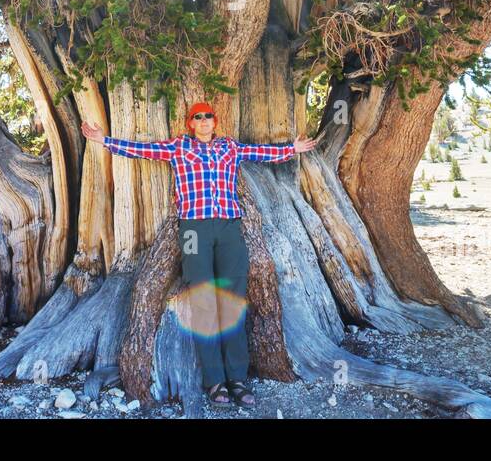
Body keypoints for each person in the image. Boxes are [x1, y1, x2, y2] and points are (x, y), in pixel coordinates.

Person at [82, 102, 316, 407]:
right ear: (191, 123)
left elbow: (259, 152)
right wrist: (104, 141)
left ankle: (238, 379)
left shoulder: (229, 147)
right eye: (198, 117)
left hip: (230, 228)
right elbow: (143, 150)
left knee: (233, 300)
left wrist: (292, 148)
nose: (204, 121)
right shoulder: (179, 147)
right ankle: (215, 381)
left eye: (208, 116)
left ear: (214, 122)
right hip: (193, 230)